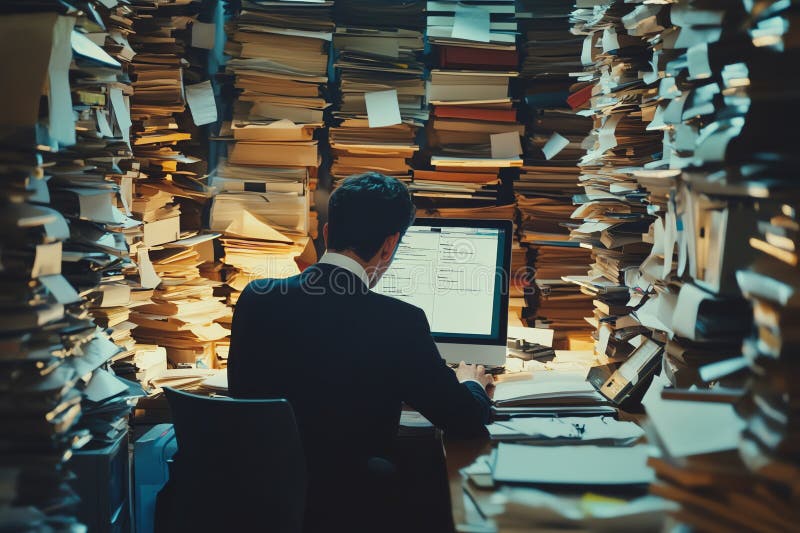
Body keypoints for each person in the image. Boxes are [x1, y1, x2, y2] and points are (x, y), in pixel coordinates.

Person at [227, 172, 494, 532]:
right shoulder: (399, 321)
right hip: (351, 509)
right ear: (389, 246)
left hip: (258, 501)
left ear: (326, 233)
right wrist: (470, 383)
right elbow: (465, 421)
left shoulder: (256, 297)